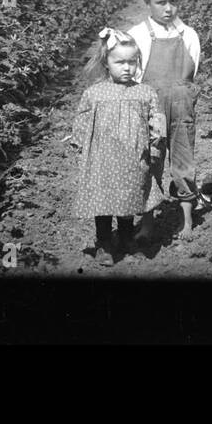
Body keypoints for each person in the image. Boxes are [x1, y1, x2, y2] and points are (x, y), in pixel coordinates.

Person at [68, 28, 166, 266]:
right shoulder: (94, 93)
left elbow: (157, 121)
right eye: (119, 62)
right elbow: (82, 119)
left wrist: (154, 149)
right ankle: (104, 244)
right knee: (102, 203)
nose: (126, 67)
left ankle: (126, 239)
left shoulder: (145, 92)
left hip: (133, 159)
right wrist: (81, 146)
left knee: (130, 199)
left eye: (132, 62)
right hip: (102, 159)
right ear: (106, 63)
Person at [128, 0, 201, 240]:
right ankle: (147, 223)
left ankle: (187, 219)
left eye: (174, 2)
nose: (168, 8)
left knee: (183, 161)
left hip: (182, 106)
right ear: (148, 2)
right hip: (150, 107)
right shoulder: (138, 35)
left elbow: (191, 70)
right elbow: (133, 78)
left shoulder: (189, 35)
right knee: (149, 162)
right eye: (161, 3)